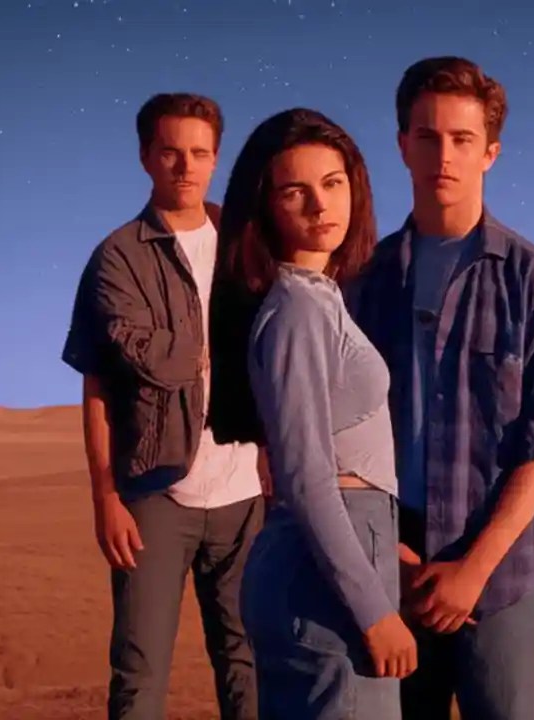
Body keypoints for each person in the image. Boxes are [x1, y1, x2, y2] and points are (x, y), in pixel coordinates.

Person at [346, 56, 534, 720]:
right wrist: (384, 552)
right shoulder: (364, 281)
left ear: (491, 153)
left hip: (499, 572)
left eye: (462, 139)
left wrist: (475, 569)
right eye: (427, 136)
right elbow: (338, 431)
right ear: (402, 146)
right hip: (392, 567)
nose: (443, 155)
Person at [207, 107, 417, 720]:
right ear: (265, 205)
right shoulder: (297, 310)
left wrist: (386, 548)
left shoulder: (320, 299)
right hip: (324, 582)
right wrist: (374, 608)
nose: (320, 205)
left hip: (333, 557)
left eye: (333, 183)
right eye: (295, 190)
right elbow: (304, 478)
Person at [60, 92, 264, 720]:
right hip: (153, 494)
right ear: (147, 156)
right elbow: (98, 383)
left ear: (216, 159)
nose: (186, 166)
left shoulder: (247, 244)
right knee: (140, 669)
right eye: (171, 152)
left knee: (249, 663)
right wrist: (105, 496)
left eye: (200, 153)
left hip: (244, 492)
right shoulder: (118, 257)